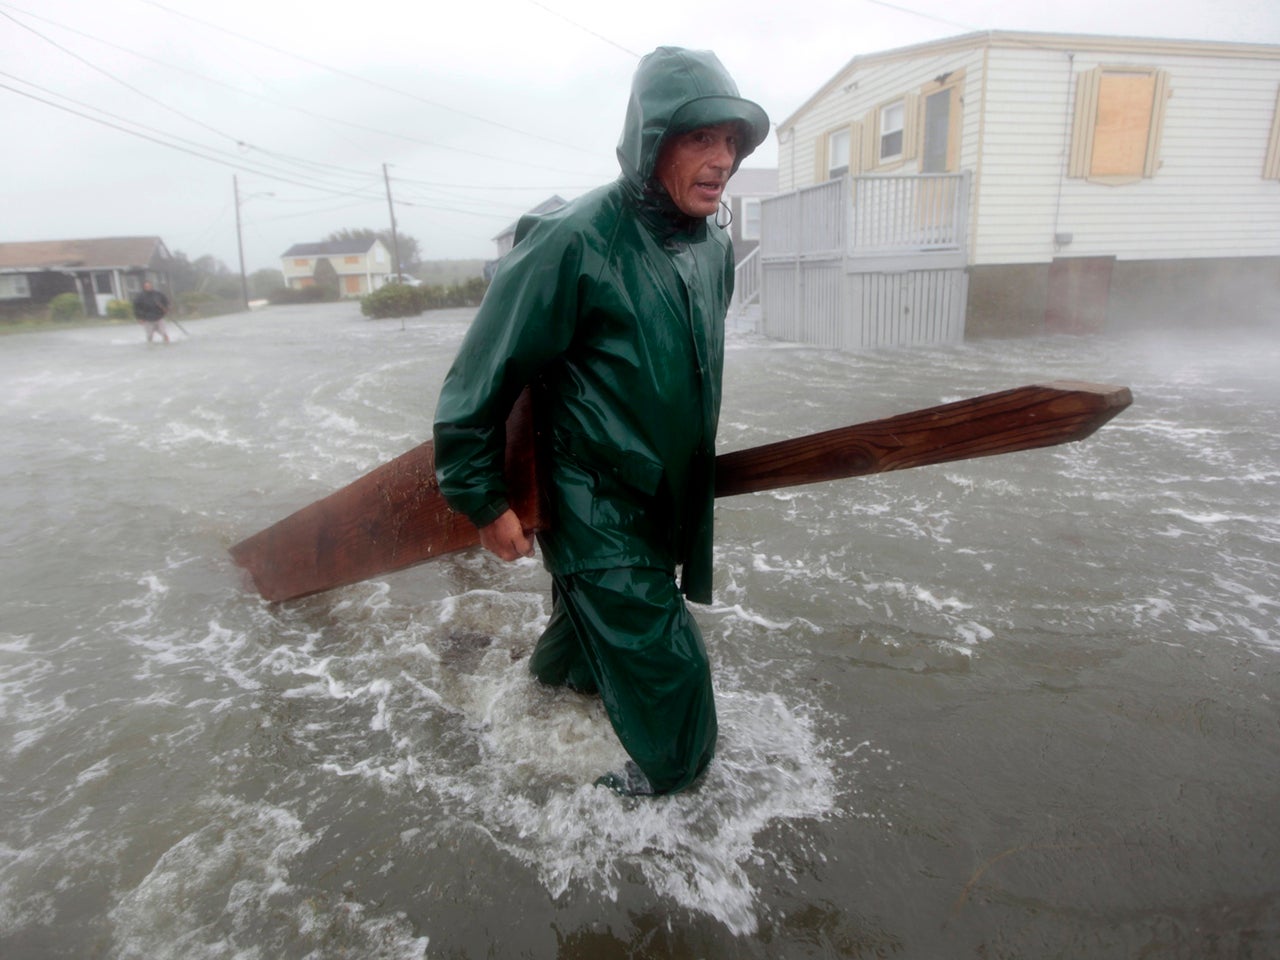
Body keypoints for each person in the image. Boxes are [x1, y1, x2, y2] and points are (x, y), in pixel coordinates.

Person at [432, 47, 769, 796]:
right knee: (670, 667)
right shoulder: (574, 241)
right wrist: (484, 500)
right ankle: (667, 798)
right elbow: (479, 382)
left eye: (732, 144)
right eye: (699, 139)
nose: (722, 161)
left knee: (592, 645)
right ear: (653, 142)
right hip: (593, 500)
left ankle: (525, 701)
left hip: (668, 491)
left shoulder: (713, 245)